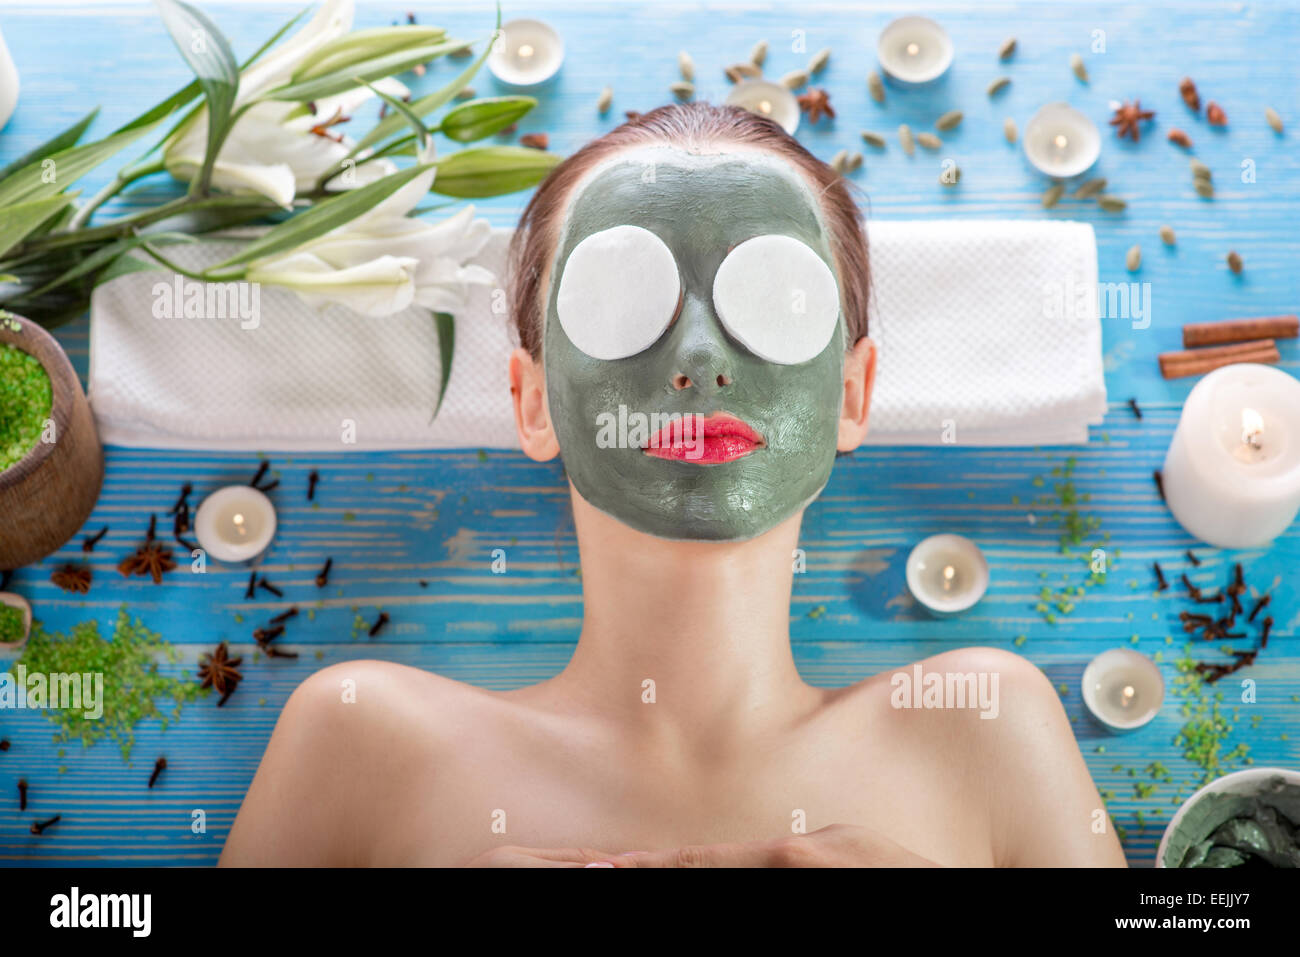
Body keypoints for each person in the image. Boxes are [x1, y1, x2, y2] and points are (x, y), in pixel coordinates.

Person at [220, 103, 1125, 868]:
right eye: (621, 303)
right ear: (533, 403)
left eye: (775, 301)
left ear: (852, 396)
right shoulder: (361, 739)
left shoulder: (981, 725)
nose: (697, 361)